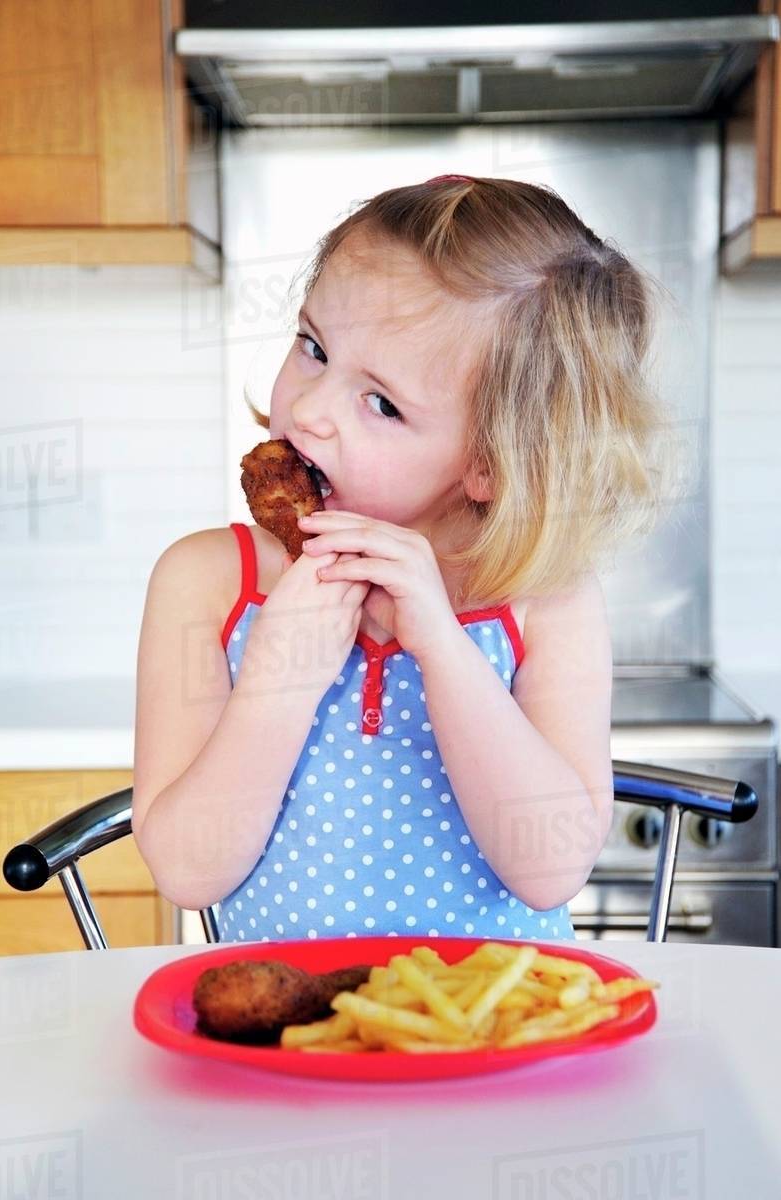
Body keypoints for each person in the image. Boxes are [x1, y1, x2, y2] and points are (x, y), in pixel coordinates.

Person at [131, 174, 670, 943]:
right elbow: (188, 872)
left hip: (496, 1037)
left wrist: (444, 650)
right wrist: (281, 675)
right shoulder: (207, 583)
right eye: (314, 349)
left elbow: (547, 870)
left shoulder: (543, 601)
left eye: (380, 403)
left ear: (491, 461)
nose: (309, 410)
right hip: (289, 1044)